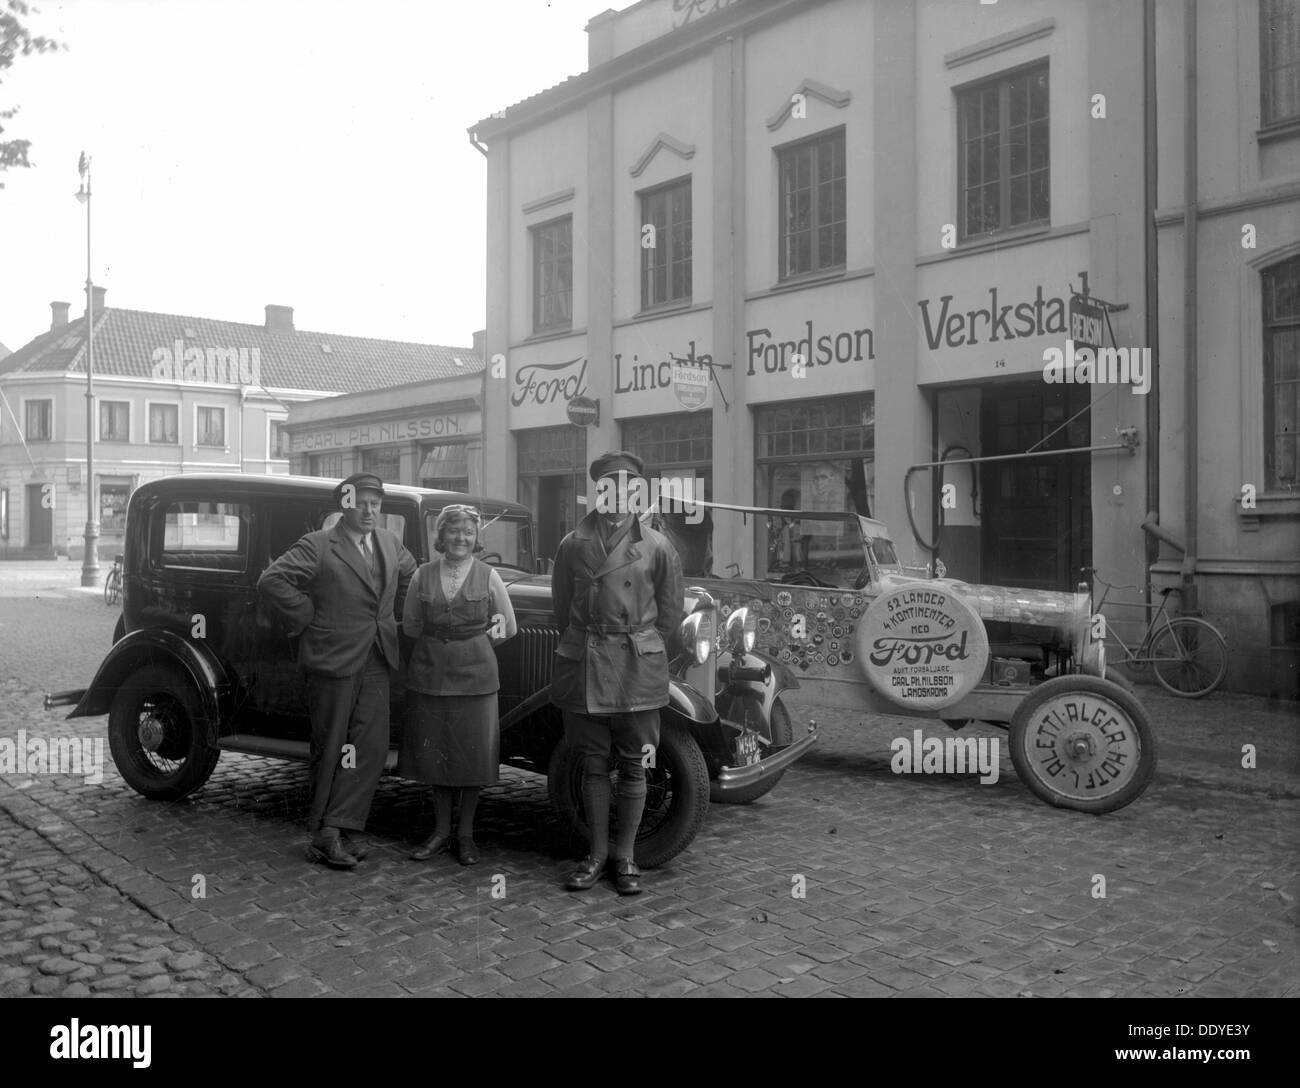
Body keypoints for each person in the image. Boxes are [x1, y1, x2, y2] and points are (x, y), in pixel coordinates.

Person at [258, 472, 417, 869]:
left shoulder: (389, 542)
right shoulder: (319, 545)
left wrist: (396, 615)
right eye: (360, 503)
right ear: (344, 505)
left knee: (371, 745)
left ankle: (346, 823)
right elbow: (272, 580)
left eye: (375, 504)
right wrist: (308, 615)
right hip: (333, 656)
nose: (368, 510)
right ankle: (323, 834)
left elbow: (412, 574)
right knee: (332, 746)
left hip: (378, 656)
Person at [550, 451, 684, 895]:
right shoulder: (572, 544)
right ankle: (595, 855)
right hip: (585, 660)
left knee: (633, 765)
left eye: (627, 486)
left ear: (636, 493)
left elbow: (669, 616)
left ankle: (625, 856)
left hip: (636, 665)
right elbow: (560, 608)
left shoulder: (658, 547)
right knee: (591, 764)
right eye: (608, 486)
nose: (617, 494)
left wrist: (638, 644)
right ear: (597, 493)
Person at [401, 504, 517, 866]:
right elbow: (411, 626)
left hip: (476, 679)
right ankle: (439, 832)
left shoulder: (489, 575)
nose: (461, 538)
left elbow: (507, 627)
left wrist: (473, 646)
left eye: (468, 532)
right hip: (431, 675)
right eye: (454, 531)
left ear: (476, 538)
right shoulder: (423, 574)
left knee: (471, 757)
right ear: (442, 535)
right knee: (438, 755)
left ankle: (465, 835)